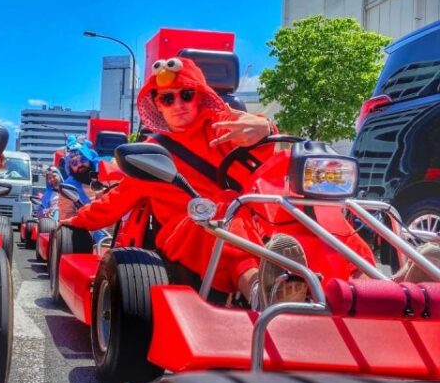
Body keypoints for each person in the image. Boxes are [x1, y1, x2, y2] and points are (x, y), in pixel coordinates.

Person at [60, 57, 373, 308]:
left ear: (199, 97)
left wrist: (264, 126)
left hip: (251, 220)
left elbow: (258, 133)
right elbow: (112, 204)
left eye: (186, 94)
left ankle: (375, 289)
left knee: (313, 212)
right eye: (167, 98)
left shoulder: (223, 124)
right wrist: (74, 222)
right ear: (158, 105)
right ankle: (259, 290)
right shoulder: (151, 153)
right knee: (221, 211)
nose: (178, 103)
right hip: (191, 232)